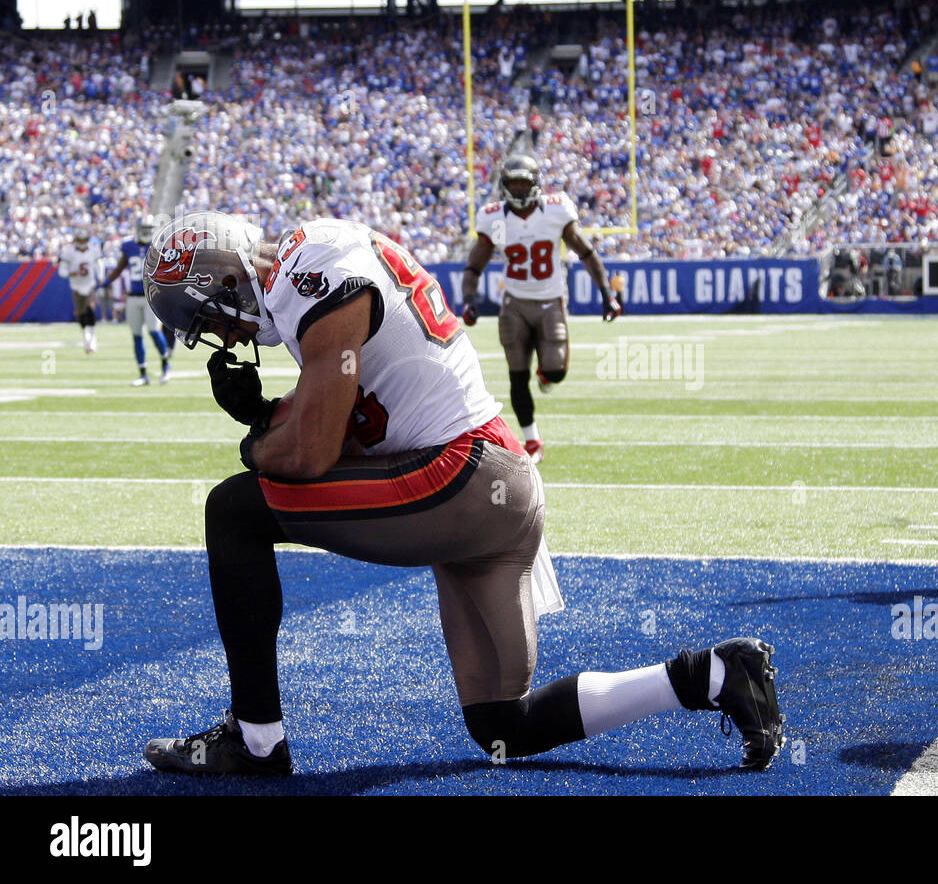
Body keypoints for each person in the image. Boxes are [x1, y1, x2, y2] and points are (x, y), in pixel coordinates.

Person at [139, 212, 783, 776]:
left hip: (460, 477)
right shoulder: (314, 275)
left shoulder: (310, 267)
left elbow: (310, 454)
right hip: (492, 491)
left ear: (222, 280)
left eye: (204, 318)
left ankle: (255, 742)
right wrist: (267, 419)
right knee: (505, 726)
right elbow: (352, 442)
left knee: (232, 510)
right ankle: (712, 675)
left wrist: (255, 441)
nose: (220, 336)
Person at [461, 155, 621, 464]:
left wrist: (606, 293)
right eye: (513, 184)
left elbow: (586, 253)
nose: (519, 190)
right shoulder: (494, 218)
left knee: (555, 371)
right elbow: (473, 267)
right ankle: (532, 439)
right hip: (514, 304)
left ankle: (545, 373)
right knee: (516, 376)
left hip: (550, 302)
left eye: (524, 183)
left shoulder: (556, 210)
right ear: (503, 187)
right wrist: (469, 300)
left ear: (536, 184)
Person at [101, 215, 171, 386]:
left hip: (151, 297)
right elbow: (119, 267)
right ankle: (143, 374)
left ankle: (165, 364)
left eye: (149, 229)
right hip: (133, 296)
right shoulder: (128, 246)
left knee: (154, 332)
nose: (146, 233)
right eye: (144, 229)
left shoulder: (158, 247)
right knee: (137, 336)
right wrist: (105, 283)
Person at [58, 228, 99, 354]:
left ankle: (91, 338)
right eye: (79, 239)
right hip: (76, 286)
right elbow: (62, 271)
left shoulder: (94, 249)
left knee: (90, 310)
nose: (82, 242)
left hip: (90, 284)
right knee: (81, 314)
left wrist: (101, 276)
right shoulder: (68, 251)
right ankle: (86, 337)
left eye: (84, 239)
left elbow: (98, 264)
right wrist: (73, 273)